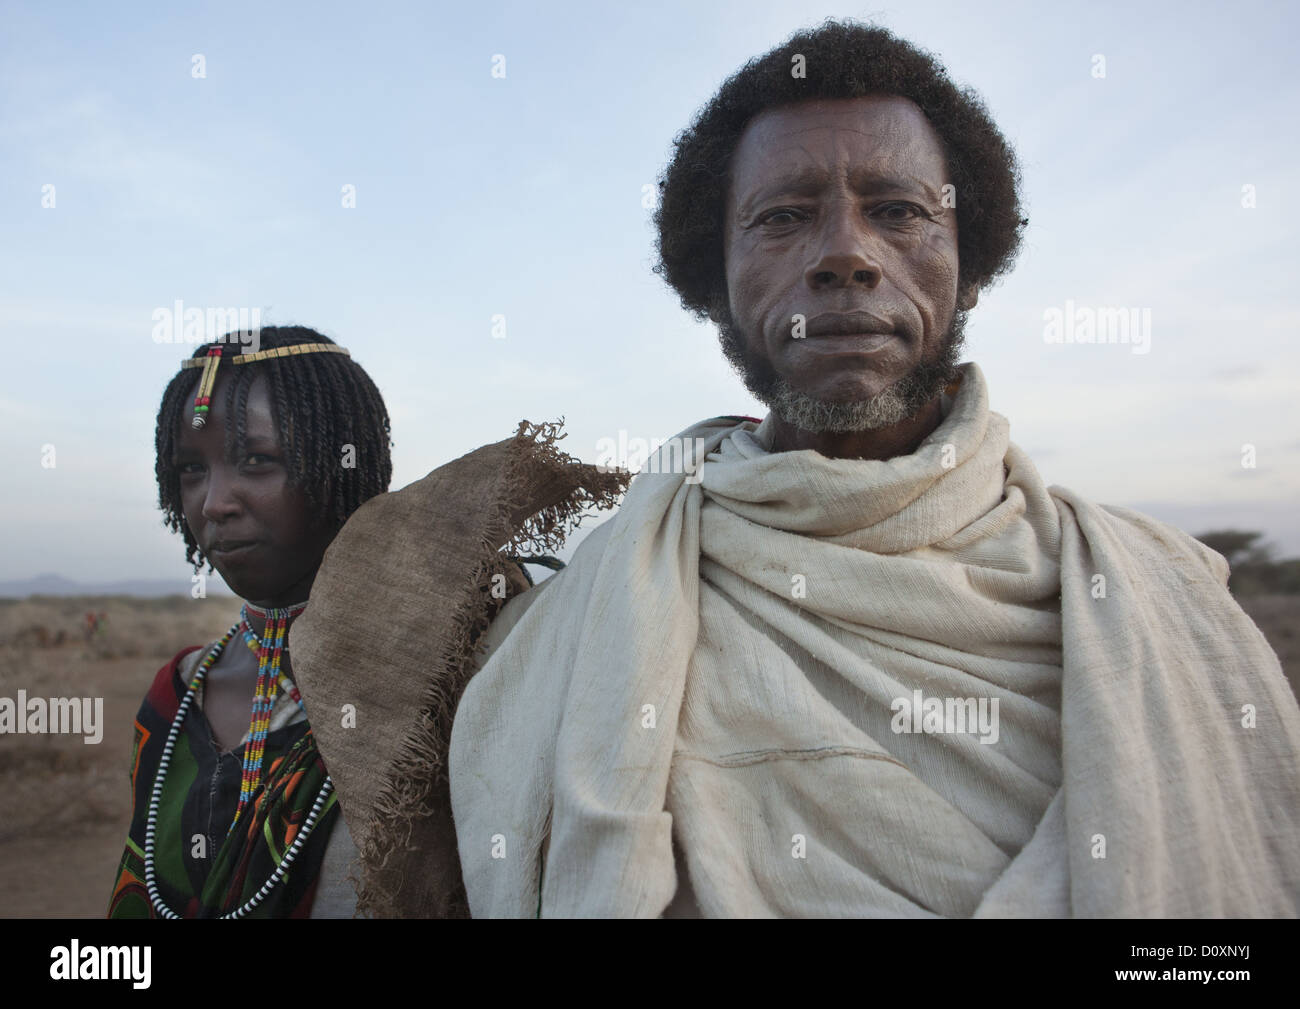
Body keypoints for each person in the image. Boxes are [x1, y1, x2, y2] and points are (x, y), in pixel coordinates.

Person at [440, 20, 1300, 917]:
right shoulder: (582, 615)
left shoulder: (1161, 602)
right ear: (715, 277)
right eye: (783, 218)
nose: (846, 255)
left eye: (899, 212)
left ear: (969, 266)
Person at [107, 326, 392, 918]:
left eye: (257, 461)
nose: (213, 502)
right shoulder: (176, 695)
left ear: (345, 469)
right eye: (190, 469)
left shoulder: (427, 692)